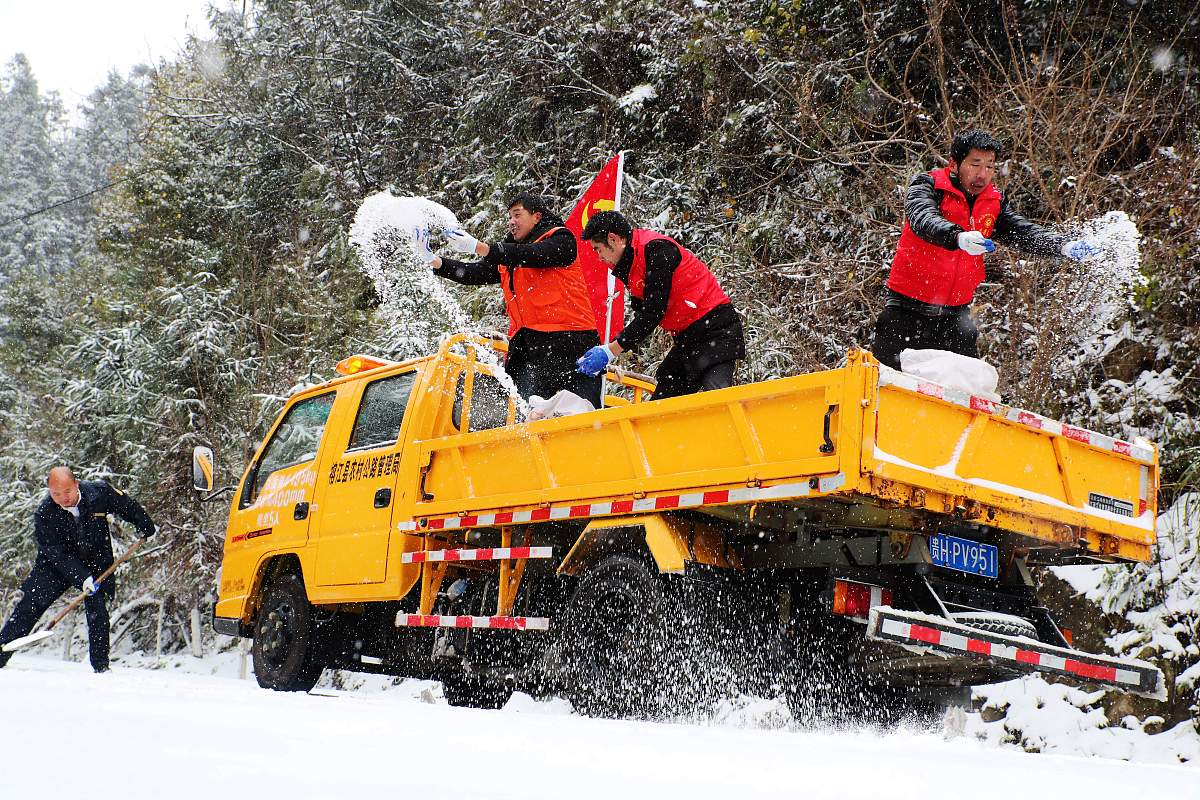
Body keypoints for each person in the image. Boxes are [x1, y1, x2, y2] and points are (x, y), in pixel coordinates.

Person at [874, 129, 1102, 370]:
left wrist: (1062, 246)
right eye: (975, 164)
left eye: (990, 166)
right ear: (954, 164)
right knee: (884, 389)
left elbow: (1022, 233)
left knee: (965, 393)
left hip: (955, 319)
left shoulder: (993, 202)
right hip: (906, 313)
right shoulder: (928, 185)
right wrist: (957, 237)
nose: (982, 174)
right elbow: (923, 219)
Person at [415, 193, 603, 408]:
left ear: (537, 217)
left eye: (517, 215)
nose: (511, 222)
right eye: (509, 217)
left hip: (569, 342)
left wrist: (480, 247)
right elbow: (473, 273)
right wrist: (435, 261)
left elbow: (535, 254)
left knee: (580, 412)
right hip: (528, 346)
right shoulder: (508, 256)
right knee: (522, 415)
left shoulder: (561, 239)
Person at [575, 211, 746, 400]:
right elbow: (643, 315)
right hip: (687, 337)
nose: (598, 257)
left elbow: (653, 313)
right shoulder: (630, 263)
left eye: (598, 249)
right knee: (665, 393)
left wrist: (610, 350)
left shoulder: (656, 250)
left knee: (718, 396)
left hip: (716, 328)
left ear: (613, 239)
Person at [0, 467, 156, 673]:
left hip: (95, 559)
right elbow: (57, 554)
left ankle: (101, 667)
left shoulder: (98, 493)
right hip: (56, 565)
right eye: (56, 494)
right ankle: (2, 653)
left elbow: (126, 505)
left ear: (76, 484)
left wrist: (146, 525)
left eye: (67, 492)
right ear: (49, 491)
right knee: (31, 603)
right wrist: (83, 578)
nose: (63, 498)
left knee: (98, 611)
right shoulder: (44, 514)